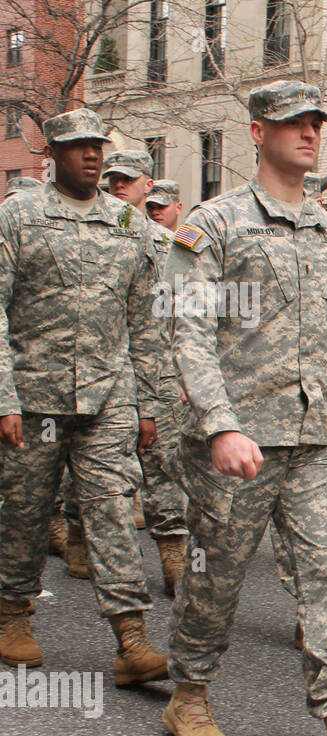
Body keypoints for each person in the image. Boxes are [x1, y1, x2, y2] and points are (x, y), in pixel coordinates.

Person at [162, 81, 327, 736]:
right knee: (217, 576)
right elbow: (187, 328)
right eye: (294, 123)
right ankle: (190, 693)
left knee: (325, 578)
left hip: (319, 438)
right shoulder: (216, 223)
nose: (309, 134)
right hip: (238, 443)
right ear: (257, 131)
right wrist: (220, 422)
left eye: (316, 124)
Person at [0, 108, 168, 683]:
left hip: (107, 396)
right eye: (78, 147)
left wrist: (147, 402)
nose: (92, 155)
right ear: (52, 154)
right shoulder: (18, 216)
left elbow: (145, 318)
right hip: (35, 399)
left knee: (114, 509)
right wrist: (4, 397)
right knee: (24, 512)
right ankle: (12, 613)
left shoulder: (130, 224)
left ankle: (131, 637)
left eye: (98, 145)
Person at [102, 149, 188, 595]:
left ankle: (174, 557)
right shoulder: (95, 232)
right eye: (112, 178)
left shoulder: (168, 244)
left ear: (146, 184)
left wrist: (186, 375)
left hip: (158, 373)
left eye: (128, 179)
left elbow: (188, 314)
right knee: (103, 477)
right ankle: (86, 544)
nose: (119, 185)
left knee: (164, 467)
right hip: (104, 374)